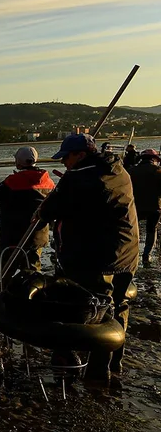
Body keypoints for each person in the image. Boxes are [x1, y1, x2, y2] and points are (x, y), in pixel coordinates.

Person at [39, 133, 139, 381]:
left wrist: (58, 193)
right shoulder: (119, 170)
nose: (64, 163)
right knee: (119, 305)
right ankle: (115, 364)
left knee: (99, 310)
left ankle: (98, 371)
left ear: (81, 155)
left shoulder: (80, 178)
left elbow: (50, 210)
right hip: (127, 251)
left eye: (67, 158)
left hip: (98, 257)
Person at [0, 147, 55, 276]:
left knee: (4, 274)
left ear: (19, 162)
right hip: (37, 236)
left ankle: (3, 295)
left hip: (13, 237)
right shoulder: (48, 181)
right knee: (33, 275)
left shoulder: (13, 181)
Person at [129, 148, 161, 267]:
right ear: (154, 159)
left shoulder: (131, 171)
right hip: (154, 206)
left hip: (135, 206)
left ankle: (132, 254)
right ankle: (146, 255)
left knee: (133, 230)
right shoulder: (158, 171)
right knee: (151, 230)